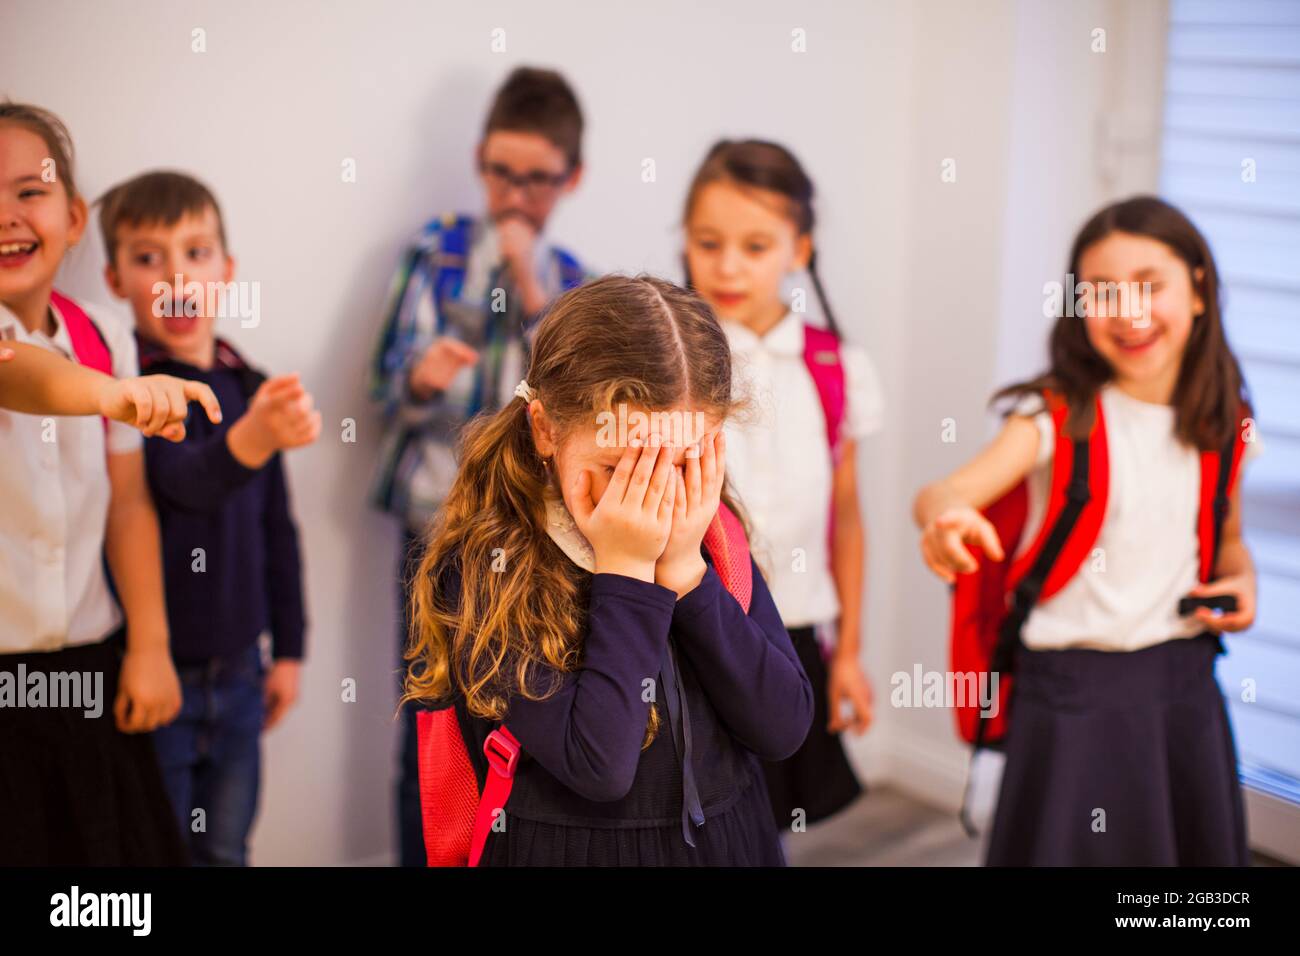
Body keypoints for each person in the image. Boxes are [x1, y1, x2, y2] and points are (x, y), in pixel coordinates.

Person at [405, 275, 813, 865]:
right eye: (621, 467)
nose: (654, 497)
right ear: (546, 430)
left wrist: (687, 577)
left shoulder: (712, 538)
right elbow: (600, 765)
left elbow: (783, 728)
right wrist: (624, 573)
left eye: (681, 461)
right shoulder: (490, 568)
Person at [914, 196, 1257, 865]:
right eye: (1100, 292)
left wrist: (1241, 578)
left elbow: (1229, 537)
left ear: (1198, 290)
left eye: (1148, 285)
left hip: (1184, 685)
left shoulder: (1225, 421)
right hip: (1072, 695)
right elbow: (945, 492)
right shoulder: (1053, 417)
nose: (1127, 311)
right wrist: (943, 519)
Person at [368, 66, 589, 865]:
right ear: (478, 160)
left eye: (536, 179)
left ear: (572, 178)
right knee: (428, 728)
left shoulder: (573, 283)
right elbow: (378, 394)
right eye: (501, 172)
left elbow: (577, 414)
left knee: (514, 725)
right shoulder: (433, 254)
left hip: (533, 541)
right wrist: (416, 380)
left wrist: (531, 284)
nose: (514, 196)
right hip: (434, 529)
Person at [98, 169, 316, 865]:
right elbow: (185, 482)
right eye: (147, 258)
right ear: (113, 280)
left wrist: (289, 649)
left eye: (196, 253)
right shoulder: (128, 391)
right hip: (157, 677)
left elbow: (278, 531)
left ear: (227, 270)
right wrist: (252, 437)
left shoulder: (251, 385)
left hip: (242, 675)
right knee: (159, 849)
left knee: (225, 848)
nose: (175, 278)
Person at [0, 101, 189, 865]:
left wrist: (150, 644)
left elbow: (130, 506)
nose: (7, 216)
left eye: (29, 190)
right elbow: (23, 378)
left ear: (74, 217)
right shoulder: (88, 368)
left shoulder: (104, 333)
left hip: (87, 664)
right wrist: (109, 392)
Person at [682, 140, 881, 839]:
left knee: (764, 819)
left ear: (799, 248)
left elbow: (847, 518)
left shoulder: (834, 366)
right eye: (709, 242)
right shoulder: (673, 359)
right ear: (685, 241)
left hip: (793, 632)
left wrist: (849, 651)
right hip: (691, 630)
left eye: (756, 245)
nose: (729, 264)